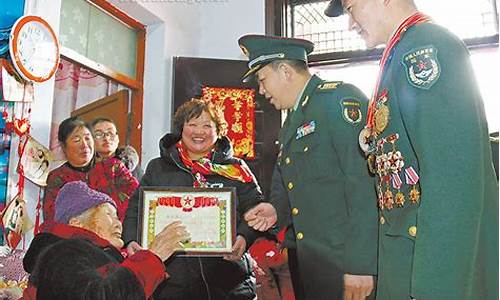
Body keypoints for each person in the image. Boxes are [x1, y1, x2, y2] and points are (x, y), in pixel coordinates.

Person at [324, 1, 499, 299]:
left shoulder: (426, 49)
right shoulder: (401, 53)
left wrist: (436, 288)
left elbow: (452, 184)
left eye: (351, 8)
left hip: (433, 270)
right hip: (406, 258)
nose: (350, 23)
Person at [239, 35, 378, 300]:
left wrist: (361, 264)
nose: (261, 90)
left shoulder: (338, 101)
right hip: (309, 261)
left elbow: (364, 183)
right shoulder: (293, 119)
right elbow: (292, 182)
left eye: (262, 79)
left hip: (346, 264)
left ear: (285, 71)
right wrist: (275, 210)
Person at [122, 98, 264, 299]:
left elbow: (256, 209)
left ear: (219, 131)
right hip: (173, 279)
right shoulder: (158, 167)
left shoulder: (235, 169)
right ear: (181, 129)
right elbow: (136, 208)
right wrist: (131, 240)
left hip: (228, 279)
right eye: (192, 124)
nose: (199, 132)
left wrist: (243, 236)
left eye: (207, 125)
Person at [21, 181, 189, 300]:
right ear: (77, 223)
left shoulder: (85, 254)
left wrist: (134, 262)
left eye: (118, 217)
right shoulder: (62, 252)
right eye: (108, 215)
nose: (118, 224)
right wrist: (151, 258)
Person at [43, 117, 138, 225]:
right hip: (77, 239)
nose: (85, 145)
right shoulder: (58, 177)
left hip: (118, 234)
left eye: (88, 138)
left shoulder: (114, 167)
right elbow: (53, 218)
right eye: (76, 140)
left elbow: (137, 200)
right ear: (64, 147)